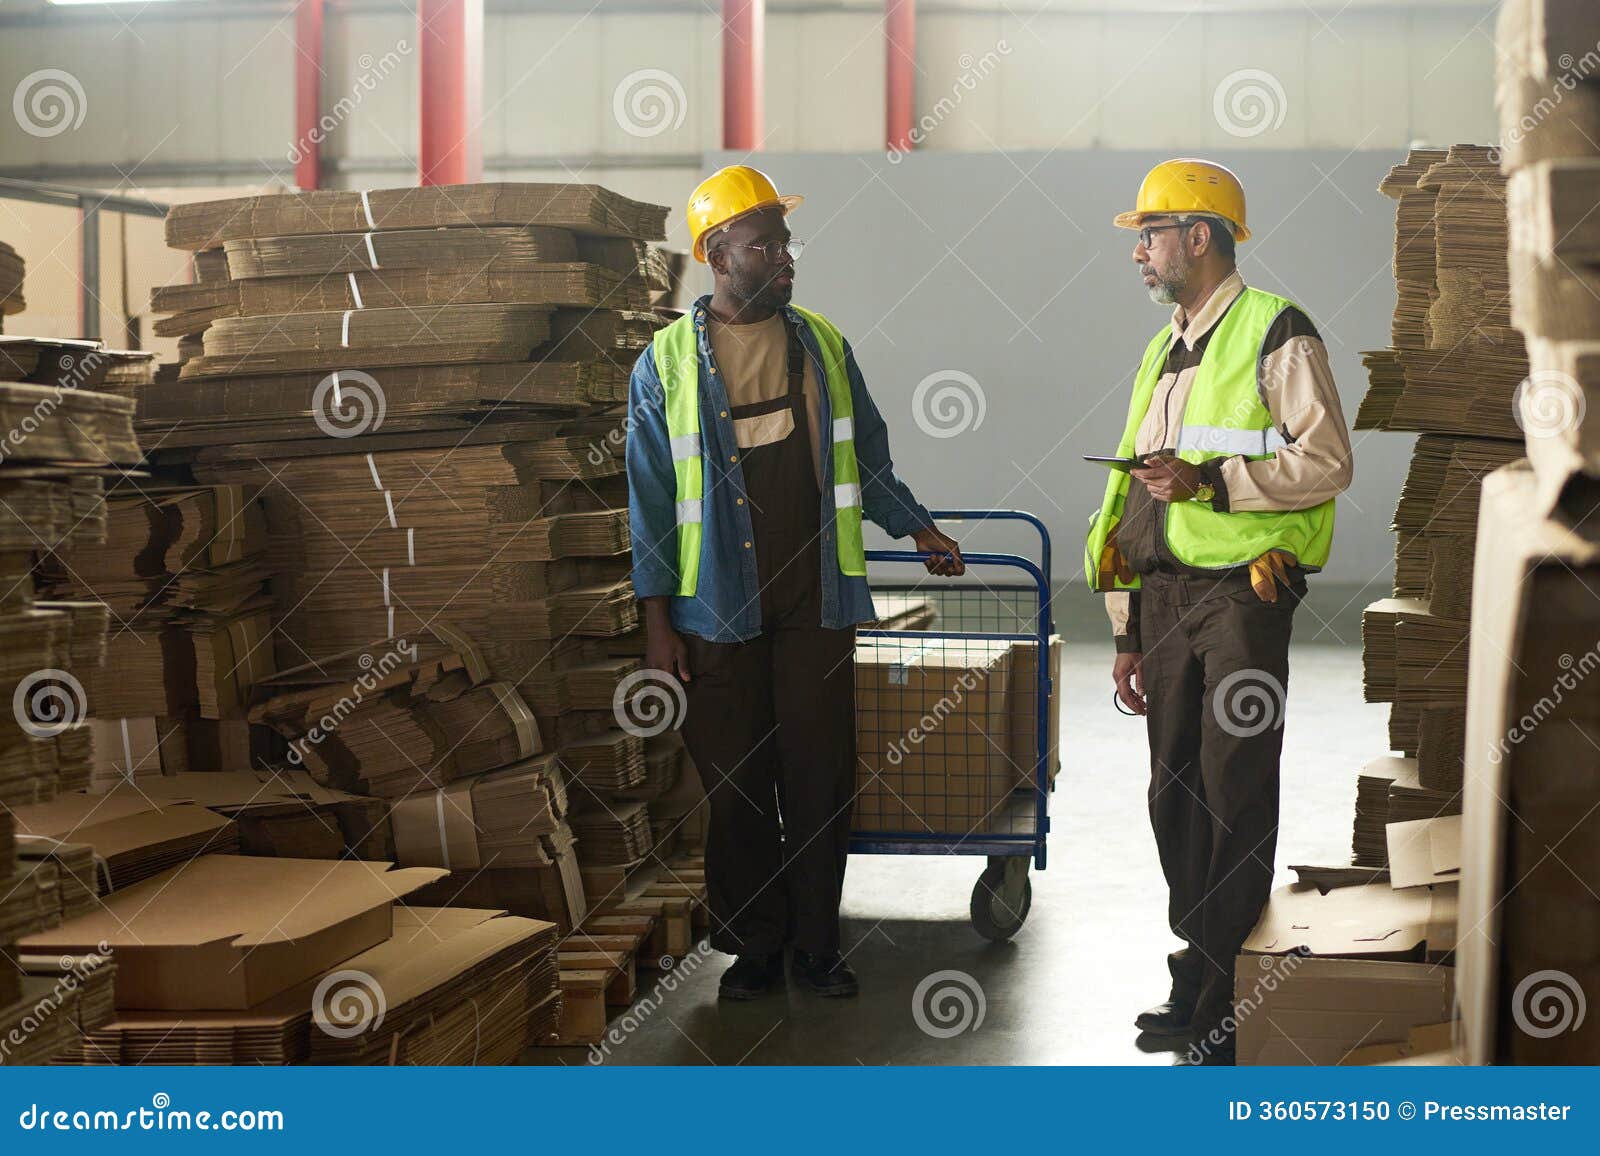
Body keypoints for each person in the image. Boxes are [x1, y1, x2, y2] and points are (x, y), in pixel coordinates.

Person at [626, 165, 964, 1001]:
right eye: (764, 244)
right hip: (714, 608)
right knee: (736, 785)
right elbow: (652, 504)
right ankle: (755, 948)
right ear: (714, 253)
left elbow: (867, 461)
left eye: (786, 242)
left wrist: (916, 526)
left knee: (818, 777)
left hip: (817, 594)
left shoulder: (821, 345)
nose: (785, 258)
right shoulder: (664, 366)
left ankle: (817, 945)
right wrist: (658, 626)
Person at [1083, 158, 1355, 1064]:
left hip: (1244, 597)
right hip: (1162, 603)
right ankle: (1197, 966)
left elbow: (1327, 462)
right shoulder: (1163, 350)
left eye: (1149, 234)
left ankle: (1230, 995)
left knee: (1235, 791)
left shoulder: (1278, 330)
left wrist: (1217, 483)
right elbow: (1131, 494)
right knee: (1176, 794)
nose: (1139, 254)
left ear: (1198, 236)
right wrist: (1124, 628)